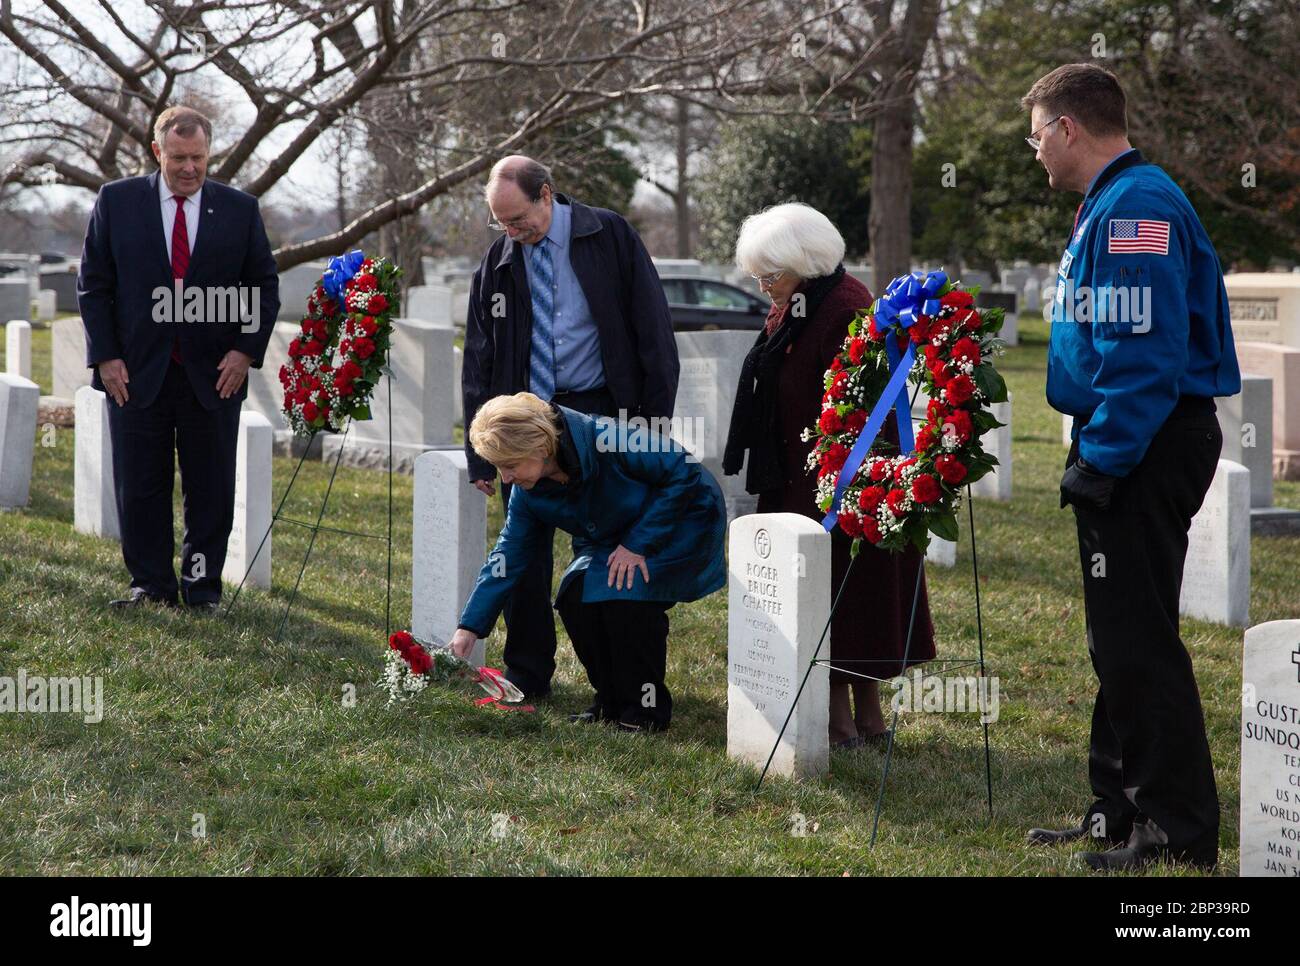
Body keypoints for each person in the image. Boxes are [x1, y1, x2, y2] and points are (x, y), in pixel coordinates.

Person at [1021, 63, 1240, 872]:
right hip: (1133, 436)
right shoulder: (1113, 202)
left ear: (1068, 128)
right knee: (1117, 639)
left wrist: (1105, 456)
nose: (1033, 149)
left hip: (1144, 442)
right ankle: (1116, 811)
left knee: (1139, 643)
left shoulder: (1136, 209)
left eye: (1037, 132)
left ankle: (1177, 834)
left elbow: (1145, 354)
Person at [462, 155, 679, 700]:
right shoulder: (499, 260)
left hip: (600, 413)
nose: (512, 232)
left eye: (518, 219)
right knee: (523, 552)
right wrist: (482, 453)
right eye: (502, 223)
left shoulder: (608, 235)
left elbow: (652, 327)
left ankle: (624, 681)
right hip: (522, 421)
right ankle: (528, 673)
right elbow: (480, 358)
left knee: (608, 546)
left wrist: (650, 425)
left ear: (546, 195)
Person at [721, 203, 936, 750]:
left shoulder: (844, 307)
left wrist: (839, 480)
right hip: (796, 472)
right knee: (819, 591)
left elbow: (862, 408)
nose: (765, 287)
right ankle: (851, 718)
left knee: (846, 594)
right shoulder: (798, 302)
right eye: (758, 277)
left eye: (771, 275)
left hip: (843, 478)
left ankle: (854, 721)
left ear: (806, 262)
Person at [77, 105, 279, 611]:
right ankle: (151, 586)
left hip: (214, 376)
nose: (190, 168)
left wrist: (244, 350)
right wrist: (105, 357)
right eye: (179, 158)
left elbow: (263, 287)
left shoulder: (239, 209)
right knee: (140, 484)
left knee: (209, 487)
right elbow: (94, 286)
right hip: (135, 372)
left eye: (200, 158)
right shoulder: (117, 202)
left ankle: (201, 589)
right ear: (157, 152)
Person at [448, 392, 724, 731]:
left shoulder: (609, 439)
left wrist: (638, 544)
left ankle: (645, 709)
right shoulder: (529, 491)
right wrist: (469, 628)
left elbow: (684, 472)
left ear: (539, 449)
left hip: (680, 521)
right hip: (613, 536)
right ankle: (610, 700)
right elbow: (508, 554)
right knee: (575, 598)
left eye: (509, 465)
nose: (505, 478)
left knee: (626, 601)